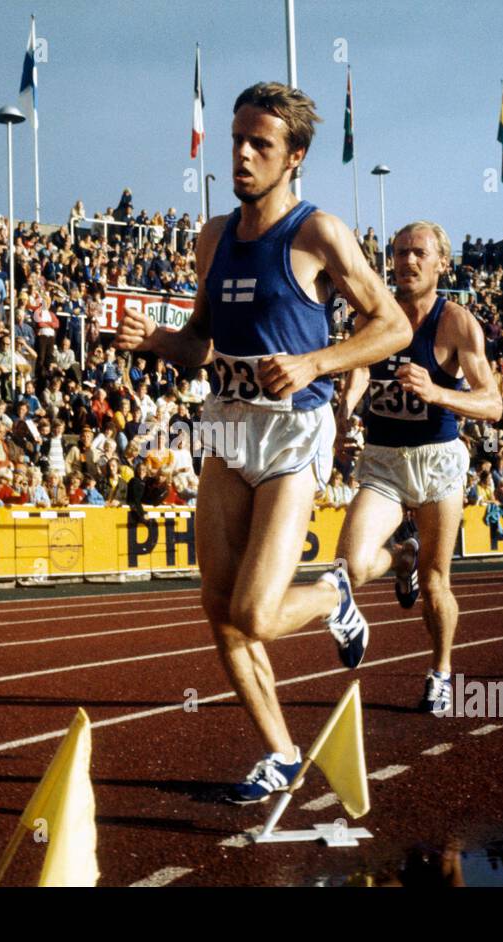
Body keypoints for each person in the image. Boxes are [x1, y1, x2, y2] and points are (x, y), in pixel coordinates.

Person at [114, 82, 412, 804]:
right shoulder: (212, 237)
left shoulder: (318, 234)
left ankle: (333, 592)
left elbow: (394, 326)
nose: (243, 156)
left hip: (292, 434)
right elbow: (199, 343)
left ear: (294, 157)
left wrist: (316, 363)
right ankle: (280, 753)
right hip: (226, 424)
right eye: (237, 141)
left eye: (261, 145)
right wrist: (154, 340)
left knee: (254, 612)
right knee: (219, 610)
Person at [333, 221, 502, 714]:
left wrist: (436, 392)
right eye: (400, 252)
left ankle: (441, 672)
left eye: (419, 253)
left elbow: (492, 404)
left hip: (437, 462)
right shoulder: (373, 314)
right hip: (383, 459)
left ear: (441, 263)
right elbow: (359, 368)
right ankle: (399, 559)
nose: (407, 261)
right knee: (350, 567)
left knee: (434, 582)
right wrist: (346, 408)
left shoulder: (457, 323)